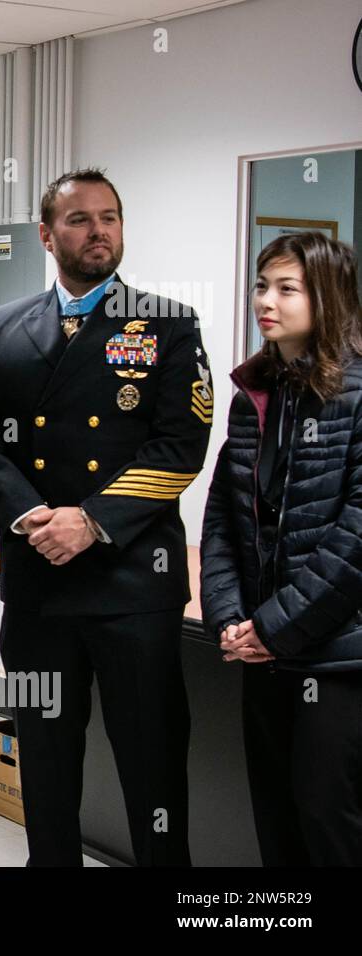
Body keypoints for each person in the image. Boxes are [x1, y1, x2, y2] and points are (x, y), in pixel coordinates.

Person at [0, 168, 212, 866]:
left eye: (109, 217)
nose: (98, 231)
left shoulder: (168, 323)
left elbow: (181, 446)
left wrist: (91, 520)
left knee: (152, 767)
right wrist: (35, 517)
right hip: (39, 586)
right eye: (79, 219)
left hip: (133, 585)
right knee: (44, 760)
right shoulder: (3, 325)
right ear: (46, 235)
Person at [200, 231, 362, 866]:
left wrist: (274, 627)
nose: (265, 301)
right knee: (276, 819)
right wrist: (228, 615)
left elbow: (355, 539)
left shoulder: (355, 392)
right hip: (265, 651)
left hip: (337, 655)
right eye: (261, 286)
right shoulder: (259, 392)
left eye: (286, 289)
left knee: (329, 819)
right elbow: (223, 517)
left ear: (326, 296)